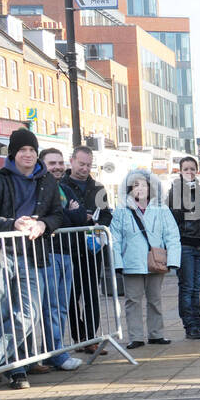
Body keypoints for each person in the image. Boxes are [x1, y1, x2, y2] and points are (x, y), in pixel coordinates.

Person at [0, 127, 66, 389]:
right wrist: (14, 224)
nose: (28, 154)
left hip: (33, 256)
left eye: (32, 150)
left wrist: (44, 225)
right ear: (13, 153)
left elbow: (57, 214)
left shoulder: (47, 180)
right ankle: (15, 369)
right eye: (22, 150)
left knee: (28, 314)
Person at [110, 168, 180, 348]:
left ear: (150, 188)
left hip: (155, 262)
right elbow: (115, 239)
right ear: (129, 189)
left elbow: (171, 235)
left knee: (155, 299)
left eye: (143, 185)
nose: (140, 188)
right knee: (132, 301)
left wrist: (172, 260)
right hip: (131, 262)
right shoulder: (121, 211)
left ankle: (156, 334)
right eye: (135, 185)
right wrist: (117, 263)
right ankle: (136, 337)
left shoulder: (161, 209)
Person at [32, 148, 84, 372]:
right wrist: (68, 214)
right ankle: (56, 352)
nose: (58, 167)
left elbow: (79, 218)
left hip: (66, 252)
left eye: (61, 162)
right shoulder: (40, 188)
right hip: (48, 253)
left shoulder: (65, 188)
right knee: (51, 306)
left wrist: (69, 215)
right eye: (52, 162)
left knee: (62, 306)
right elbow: (60, 218)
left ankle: (56, 349)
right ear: (42, 164)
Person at [60, 145, 113, 351]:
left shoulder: (98, 188)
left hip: (92, 248)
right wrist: (79, 217)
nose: (85, 168)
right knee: (72, 295)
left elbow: (107, 214)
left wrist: (98, 224)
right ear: (71, 161)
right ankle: (79, 336)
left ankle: (91, 337)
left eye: (89, 165)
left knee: (91, 293)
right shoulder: (61, 185)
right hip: (70, 246)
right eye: (81, 164)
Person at [167, 155, 200, 340]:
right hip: (184, 244)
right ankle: (190, 326)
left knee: (196, 287)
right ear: (180, 171)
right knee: (186, 287)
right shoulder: (175, 191)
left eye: (192, 169)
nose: (189, 172)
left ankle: (197, 322)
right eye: (186, 169)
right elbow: (175, 217)